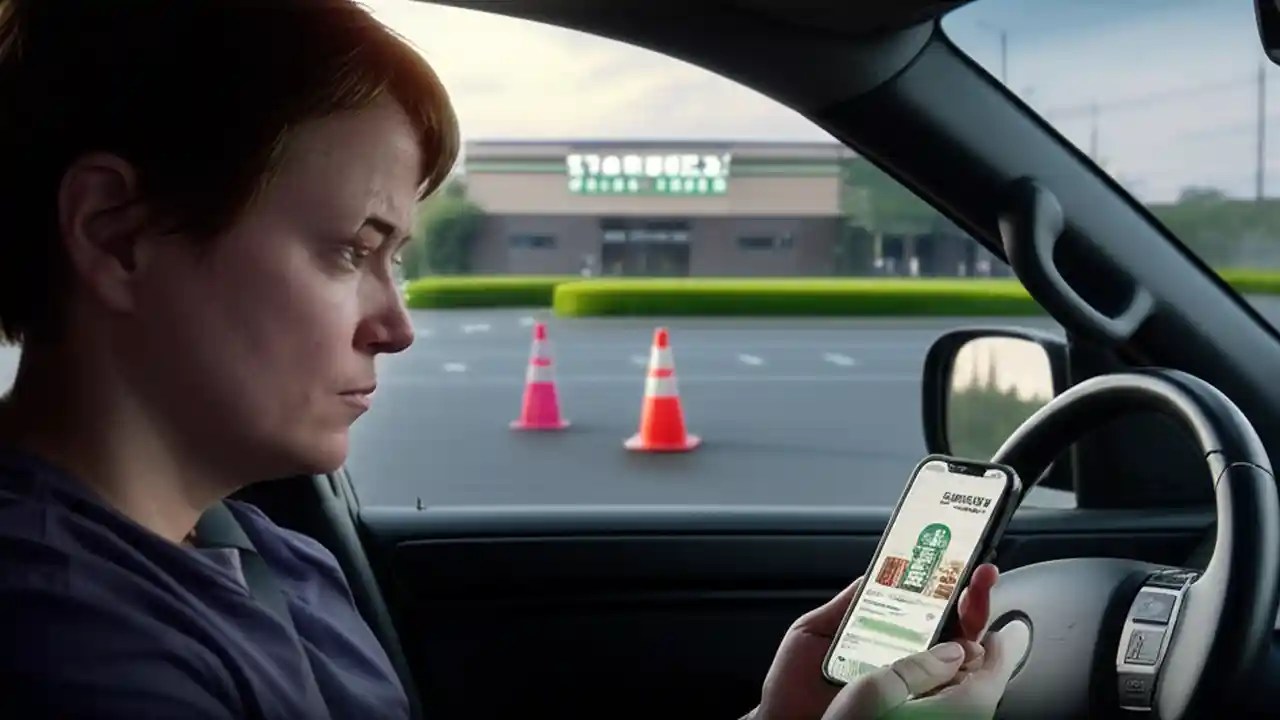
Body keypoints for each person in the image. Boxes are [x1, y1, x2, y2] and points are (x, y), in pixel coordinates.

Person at [0, 1, 1026, 718]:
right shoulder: (62, 646)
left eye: (392, 259)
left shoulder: (263, 553)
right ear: (116, 234)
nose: (394, 325)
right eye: (350, 250)